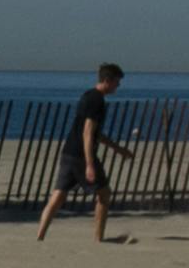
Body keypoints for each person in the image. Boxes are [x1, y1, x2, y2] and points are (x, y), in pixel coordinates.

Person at [36, 63, 129, 244]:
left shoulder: (88, 95)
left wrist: (117, 149)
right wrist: (89, 163)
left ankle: (40, 236)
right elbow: (87, 132)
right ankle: (98, 239)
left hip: (68, 152)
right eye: (117, 82)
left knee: (58, 195)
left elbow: (95, 133)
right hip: (80, 155)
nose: (118, 86)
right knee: (104, 193)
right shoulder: (97, 100)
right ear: (107, 80)